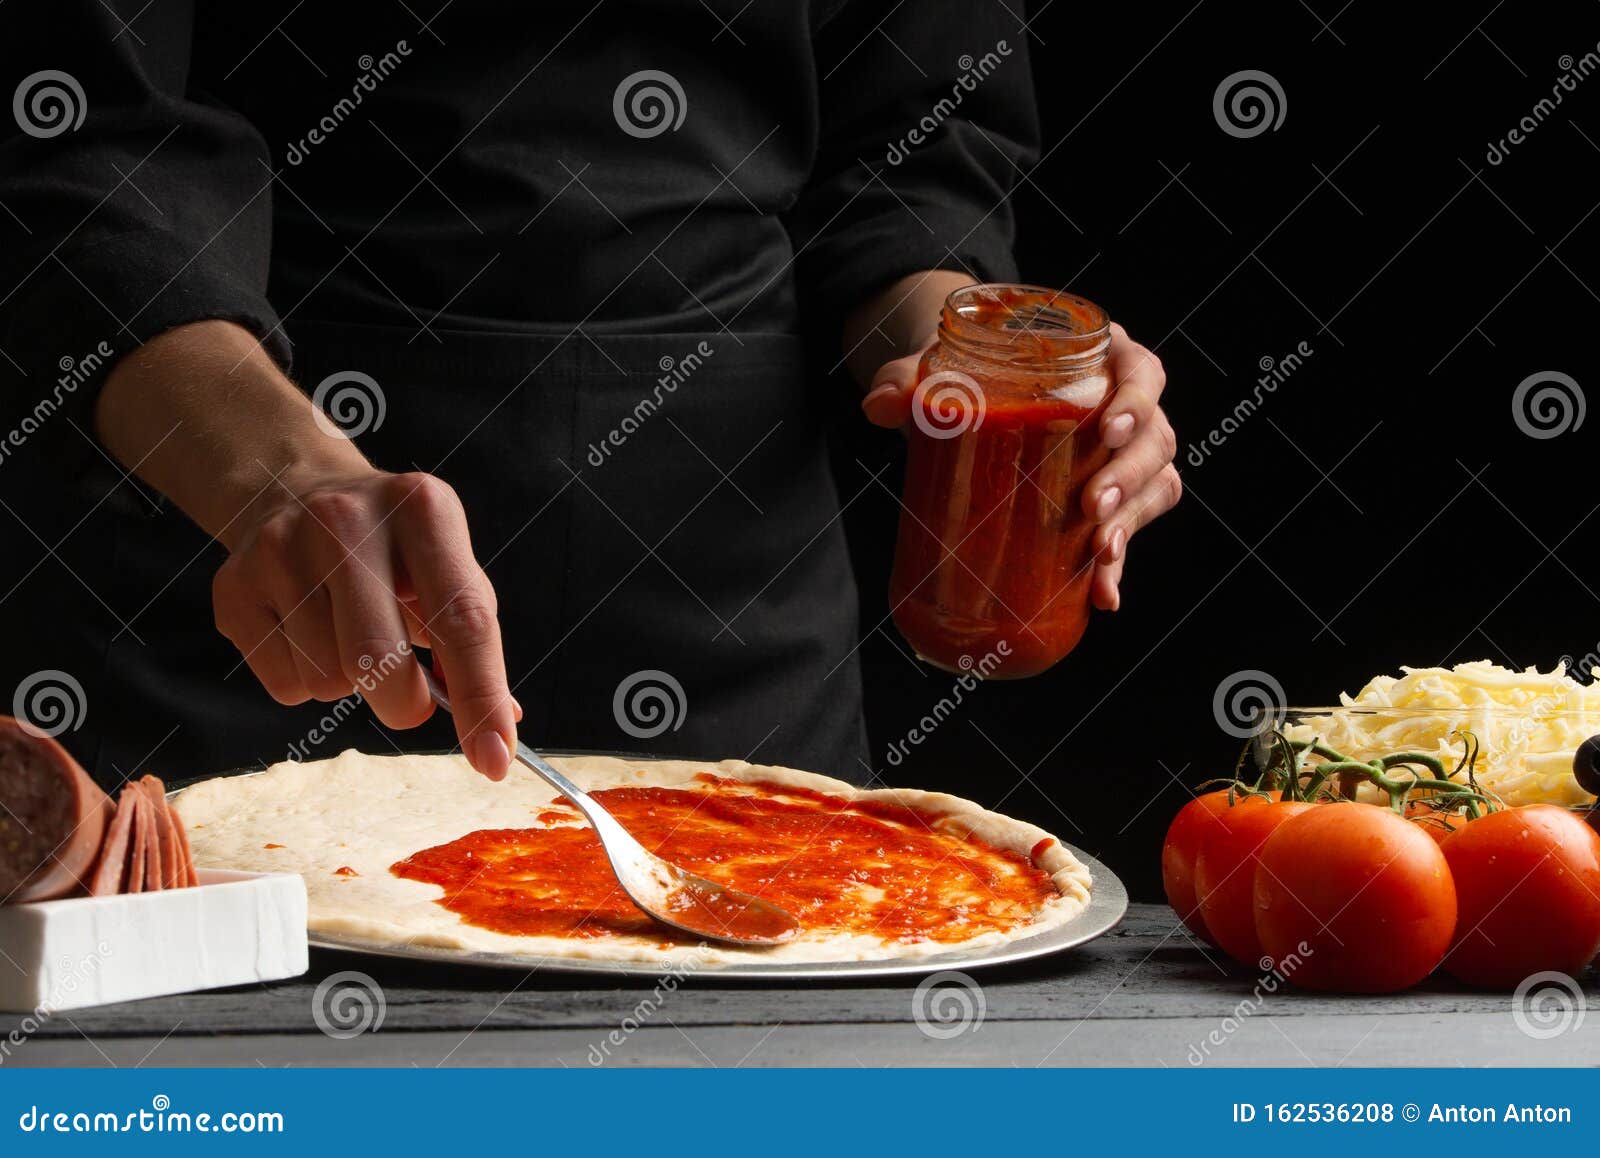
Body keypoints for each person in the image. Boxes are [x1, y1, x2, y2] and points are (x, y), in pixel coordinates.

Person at [0, 3, 1179, 787]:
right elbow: (76, 130)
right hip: (251, 553)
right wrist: (275, 476)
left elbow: (909, 157)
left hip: (731, 615)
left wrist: (975, 358)